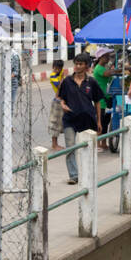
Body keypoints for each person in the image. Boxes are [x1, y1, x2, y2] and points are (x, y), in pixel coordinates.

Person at [56, 54, 104, 185]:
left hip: (87, 119)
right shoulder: (67, 81)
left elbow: (98, 102)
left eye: (80, 64)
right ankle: (74, 175)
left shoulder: (92, 82)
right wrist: (63, 105)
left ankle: (89, 172)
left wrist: (99, 121)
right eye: (76, 63)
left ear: (86, 66)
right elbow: (60, 98)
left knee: (87, 148)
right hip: (70, 119)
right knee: (70, 147)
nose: (77, 66)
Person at [48, 58, 66, 150]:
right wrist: (62, 78)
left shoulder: (61, 72)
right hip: (57, 100)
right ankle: (54, 144)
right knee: (55, 122)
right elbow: (60, 86)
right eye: (55, 68)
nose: (57, 70)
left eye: (59, 68)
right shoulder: (53, 76)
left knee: (64, 122)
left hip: (64, 99)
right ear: (53, 67)